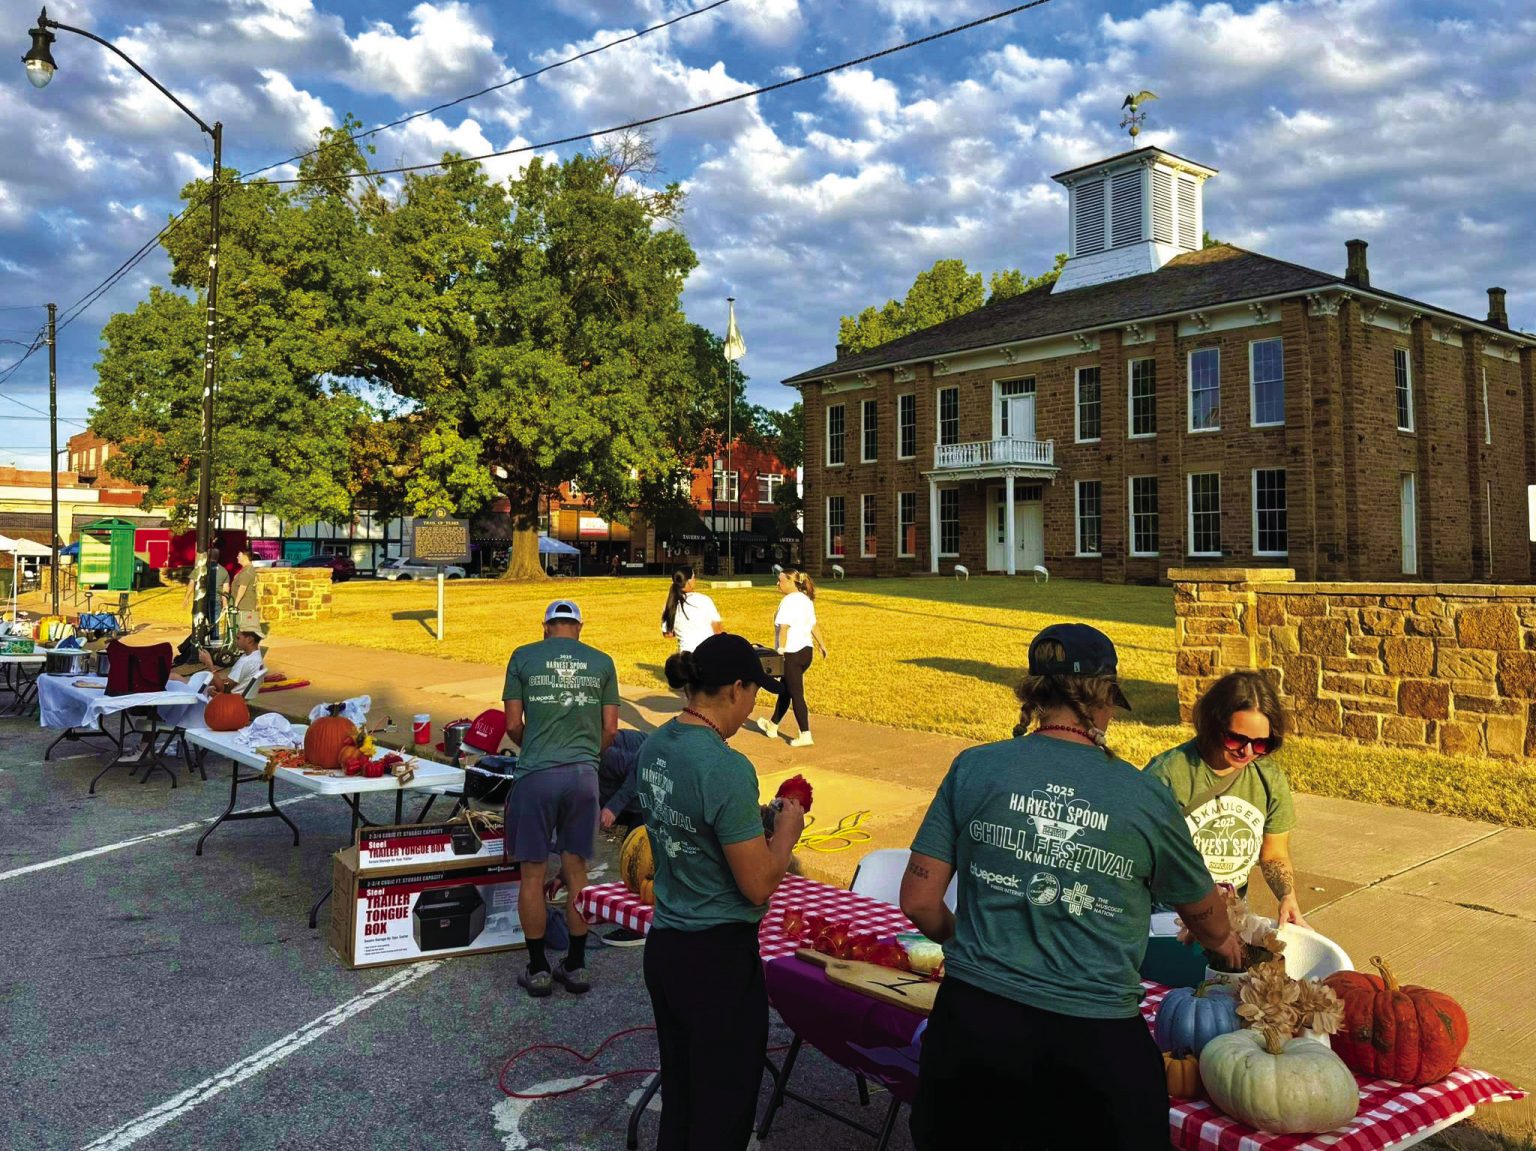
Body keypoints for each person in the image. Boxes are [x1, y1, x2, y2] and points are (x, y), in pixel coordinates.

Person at [900, 623, 1245, 1151]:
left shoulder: (974, 767)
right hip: (1094, 1041)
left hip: (971, 1026)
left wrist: (968, 942)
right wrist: (1224, 943)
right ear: (1104, 696)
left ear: (1035, 693)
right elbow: (1208, 919)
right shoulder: (1143, 796)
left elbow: (919, 901)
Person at [639, 632, 804, 1150]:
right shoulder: (725, 765)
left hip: (667, 943)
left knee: (684, 1097)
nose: (752, 706)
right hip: (717, 958)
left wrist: (752, 824)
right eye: (753, 694)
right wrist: (786, 833)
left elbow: (693, 826)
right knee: (723, 1110)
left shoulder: (655, 744)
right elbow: (757, 886)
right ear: (736, 688)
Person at [502, 599, 619, 998]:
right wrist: (586, 757)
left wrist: (535, 748)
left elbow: (512, 724)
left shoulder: (523, 656)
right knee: (577, 873)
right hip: (583, 777)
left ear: (546, 627)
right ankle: (577, 965)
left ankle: (538, 970)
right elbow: (610, 729)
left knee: (532, 875)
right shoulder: (602, 662)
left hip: (535, 776)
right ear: (579, 627)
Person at [1145, 670, 1308, 927]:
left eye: (1261, 744)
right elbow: (1143, 855)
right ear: (1214, 725)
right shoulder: (1167, 774)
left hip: (1232, 915)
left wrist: (1287, 897)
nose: (1247, 751)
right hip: (1170, 916)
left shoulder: (1268, 778)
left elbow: (1274, 854)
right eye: (1236, 739)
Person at [755, 568, 827, 747]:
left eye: (780, 580)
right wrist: (822, 645)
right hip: (806, 652)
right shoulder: (806, 600)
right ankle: (772, 725)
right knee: (786, 689)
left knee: (796, 693)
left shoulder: (788, 601)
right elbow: (813, 625)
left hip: (791, 653)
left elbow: (784, 628)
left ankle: (805, 734)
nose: (777, 584)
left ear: (790, 582)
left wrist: (780, 650)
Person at [173, 629, 264, 695]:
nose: (236, 641)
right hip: (234, 698)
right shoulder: (255, 656)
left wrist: (209, 663)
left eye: (238, 638)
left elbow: (223, 688)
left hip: (227, 702)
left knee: (175, 678)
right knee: (178, 679)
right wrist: (211, 684)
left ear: (249, 639)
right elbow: (229, 682)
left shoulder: (247, 661)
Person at [660, 565, 723, 654]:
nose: (695, 580)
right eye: (693, 577)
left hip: (685, 655)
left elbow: (668, 634)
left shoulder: (670, 604)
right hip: (707, 652)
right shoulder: (704, 600)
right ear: (689, 581)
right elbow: (718, 631)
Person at [229, 548, 263, 635]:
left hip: (243, 606)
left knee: (244, 631)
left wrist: (235, 604)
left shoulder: (247, 571)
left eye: (239, 556)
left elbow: (242, 588)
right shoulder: (245, 569)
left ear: (245, 557)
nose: (237, 557)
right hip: (241, 605)